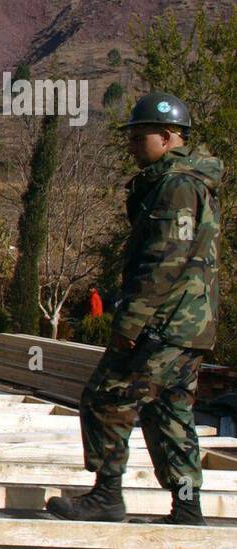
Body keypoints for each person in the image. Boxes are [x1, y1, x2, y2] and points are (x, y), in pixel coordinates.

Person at [47, 92, 221, 526]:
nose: (131, 145)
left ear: (166, 137)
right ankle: (186, 507)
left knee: (106, 397)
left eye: (139, 136)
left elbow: (164, 258)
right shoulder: (190, 182)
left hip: (163, 323)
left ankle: (106, 495)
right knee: (171, 412)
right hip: (188, 328)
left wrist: (130, 321)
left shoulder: (177, 186)